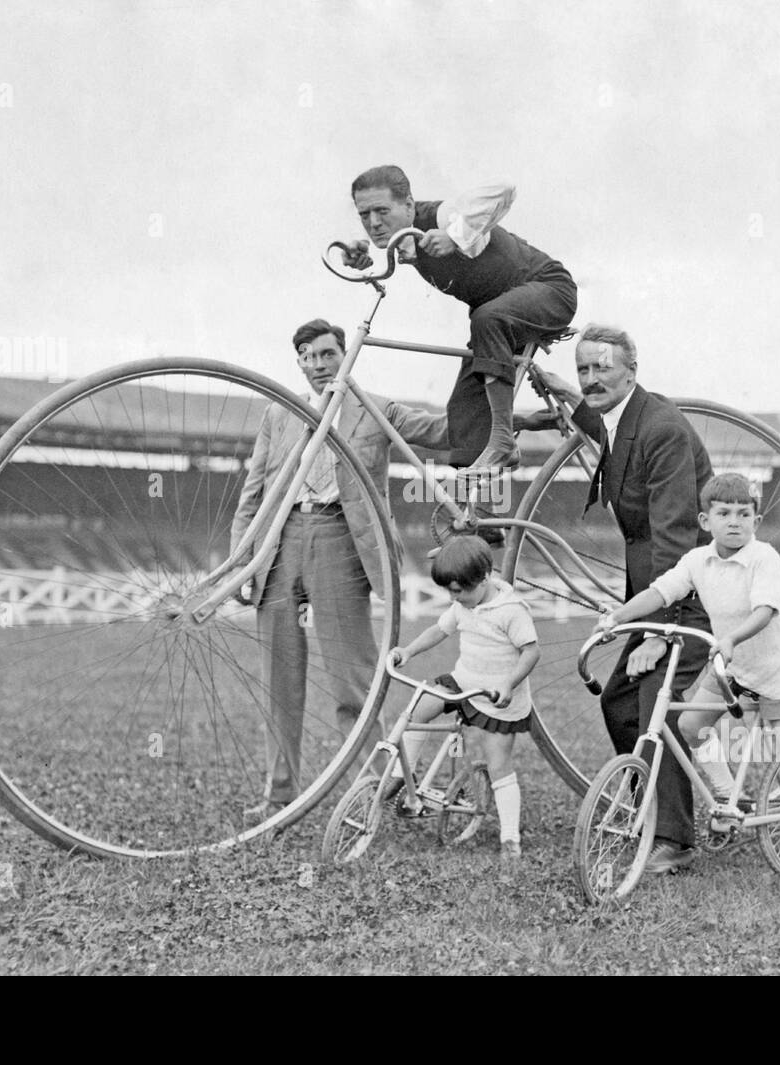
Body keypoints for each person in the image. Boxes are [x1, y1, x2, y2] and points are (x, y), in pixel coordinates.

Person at [229, 318, 450, 819]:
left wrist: (499, 411)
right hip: (279, 541)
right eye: (308, 356)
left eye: (328, 354)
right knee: (279, 681)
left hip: (341, 539)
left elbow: (441, 431)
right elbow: (253, 490)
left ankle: (374, 794)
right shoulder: (278, 413)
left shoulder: (375, 408)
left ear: (346, 355)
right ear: (299, 363)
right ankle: (278, 795)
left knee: (352, 677)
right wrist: (241, 560)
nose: (318, 365)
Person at [597, 473, 780, 879]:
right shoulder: (697, 561)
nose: (734, 522)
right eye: (724, 513)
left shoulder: (764, 558)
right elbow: (661, 591)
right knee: (691, 725)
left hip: (776, 673)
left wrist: (731, 638)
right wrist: (618, 617)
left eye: (744, 514)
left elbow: (766, 610)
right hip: (733, 669)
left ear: (756, 522)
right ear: (705, 521)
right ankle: (729, 797)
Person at [537, 325, 714, 874]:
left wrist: (661, 634)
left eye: (602, 369)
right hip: (651, 589)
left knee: (655, 697)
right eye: (584, 369)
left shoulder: (663, 430)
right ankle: (650, 805)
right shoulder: (620, 416)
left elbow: (676, 539)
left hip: (692, 592)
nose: (591, 379)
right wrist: (558, 390)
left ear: (631, 371)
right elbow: (594, 418)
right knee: (618, 700)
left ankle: (675, 840)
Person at [341, 165, 577, 473]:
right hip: (498, 323)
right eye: (364, 215)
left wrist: (455, 237)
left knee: (486, 318)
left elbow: (505, 186)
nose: (373, 223)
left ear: (409, 205)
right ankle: (508, 444)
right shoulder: (403, 233)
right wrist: (358, 250)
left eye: (382, 211)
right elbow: (383, 235)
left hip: (549, 291)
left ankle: (502, 440)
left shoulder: (444, 217)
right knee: (463, 427)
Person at [388, 537, 540, 859]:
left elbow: (531, 652)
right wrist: (408, 651)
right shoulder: (461, 605)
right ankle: (403, 775)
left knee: (498, 765)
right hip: (465, 682)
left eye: (459, 591)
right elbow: (438, 630)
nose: (453, 598)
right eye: (449, 592)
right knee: (419, 709)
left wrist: (509, 683)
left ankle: (510, 838)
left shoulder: (511, 611)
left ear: (484, 579)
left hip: (496, 697)